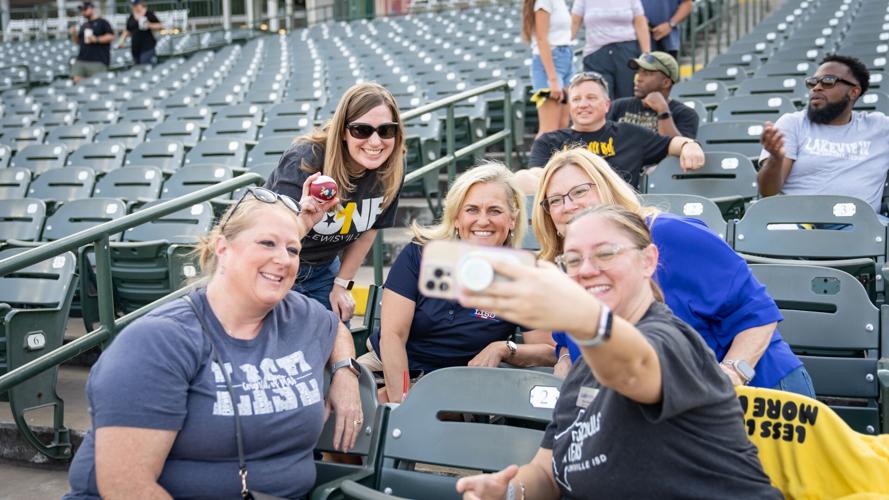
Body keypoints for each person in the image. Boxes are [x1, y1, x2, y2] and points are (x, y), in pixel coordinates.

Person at [455, 204, 783, 499]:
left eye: (606, 254)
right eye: (573, 260)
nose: (586, 269)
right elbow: (548, 473)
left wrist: (579, 316)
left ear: (648, 260)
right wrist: (509, 491)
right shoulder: (583, 368)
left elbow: (632, 369)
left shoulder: (671, 341)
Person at [64, 184, 363, 499]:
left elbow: (335, 329)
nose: (283, 259)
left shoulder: (298, 313)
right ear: (223, 249)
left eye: (293, 250)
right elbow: (126, 485)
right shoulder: (158, 341)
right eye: (267, 243)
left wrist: (345, 371)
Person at [533, 148, 813, 395]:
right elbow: (567, 342)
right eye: (555, 200)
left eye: (580, 191)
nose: (568, 206)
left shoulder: (668, 234)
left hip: (762, 392)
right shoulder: (566, 270)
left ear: (607, 188)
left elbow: (758, 313)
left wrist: (731, 375)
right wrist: (565, 363)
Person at [358, 163, 556, 403]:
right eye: (472, 210)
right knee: (347, 400)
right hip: (388, 365)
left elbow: (548, 350)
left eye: (495, 210)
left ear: (512, 220)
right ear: (456, 218)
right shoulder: (420, 254)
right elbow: (393, 336)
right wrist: (401, 400)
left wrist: (503, 348)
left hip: (455, 382)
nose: (483, 221)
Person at [266, 82, 405, 322]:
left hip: (324, 268)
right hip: (277, 265)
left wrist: (342, 284)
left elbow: (370, 229)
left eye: (386, 130)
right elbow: (271, 238)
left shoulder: (392, 168)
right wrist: (302, 219)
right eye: (362, 130)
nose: (375, 142)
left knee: (337, 333)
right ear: (342, 131)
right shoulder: (306, 159)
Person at [520, 72, 705, 191]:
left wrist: (689, 145)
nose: (583, 104)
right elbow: (536, 174)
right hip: (569, 215)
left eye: (591, 98)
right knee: (521, 178)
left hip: (617, 216)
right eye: (576, 99)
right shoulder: (549, 141)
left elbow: (671, 143)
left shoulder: (630, 134)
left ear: (607, 105)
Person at [759, 54, 889, 216]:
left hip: (861, 225)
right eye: (813, 82)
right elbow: (768, 192)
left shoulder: (880, 128)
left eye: (828, 81)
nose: (817, 87)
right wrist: (775, 160)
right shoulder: (793, 123)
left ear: (853, 92)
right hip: (797, 222)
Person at [570, 0, 650, 99]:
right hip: (596, 55)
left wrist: (646, 56)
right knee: (599, 97)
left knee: (627, 98)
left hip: (626, 54)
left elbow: (640, 23)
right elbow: (574, 23)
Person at [607, 51, 699, 138]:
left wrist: (663, 110)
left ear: (666, 83)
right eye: (638, 72)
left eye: (646, 73)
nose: (638, 78)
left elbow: (679, 147)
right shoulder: (619, 106)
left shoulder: (685, 114)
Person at [522, 0, 573, 136]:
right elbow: (541, 39)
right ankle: (539, 152)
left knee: (563, 124)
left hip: (565, 57)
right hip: (549, 64)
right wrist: (553, 79)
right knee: (549, 129)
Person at [69, 2, 114, 85]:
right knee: (76, 82)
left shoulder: (102, 22)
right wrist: (73, 34)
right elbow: (78, 42)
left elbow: (111, 36)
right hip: (82, 60)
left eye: (85, 9)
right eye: (82, 10)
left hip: (98, 60)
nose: (83, 12)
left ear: (93, 9)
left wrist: (96, 39)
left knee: (95, 84)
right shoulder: (84, 25)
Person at [117, 0, 163, 65]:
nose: (134, 7)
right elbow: (127, 30)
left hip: (147, 47)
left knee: (144, 65)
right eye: (133, 5)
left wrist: (149, 25)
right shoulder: (131, 17)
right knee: (137, 66)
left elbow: (160, 26)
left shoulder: (148, 14)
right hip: (135, 48)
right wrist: (121, 41)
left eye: (136, 5)